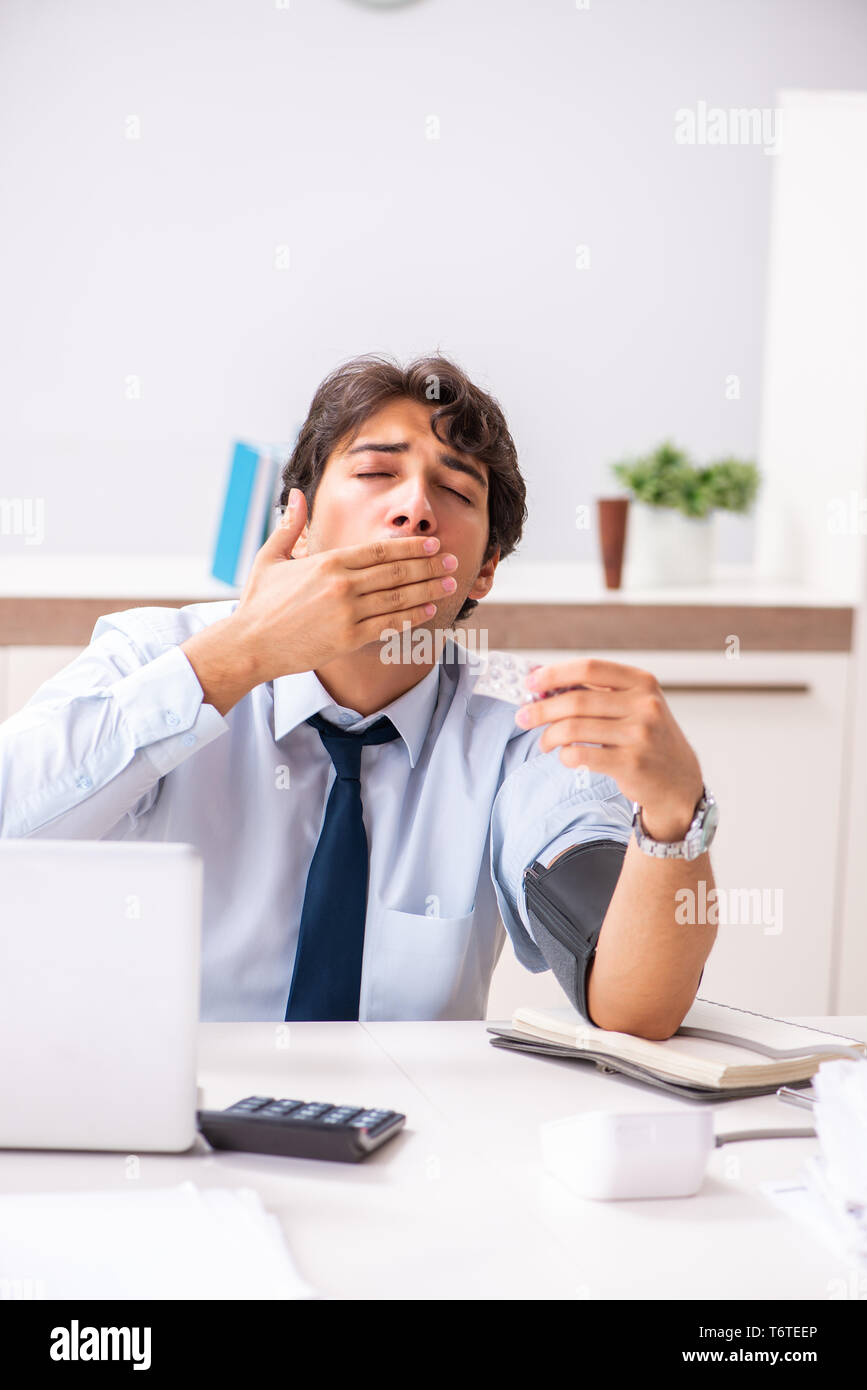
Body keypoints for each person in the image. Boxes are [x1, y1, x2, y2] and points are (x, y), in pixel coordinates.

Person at [0, 353, 718, 1033]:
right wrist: (242, 651)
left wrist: (672, 815)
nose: (414, 508)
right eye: (377, 472)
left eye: (456, 490)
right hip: (163, 1122)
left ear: (483, 572)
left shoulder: (522, 726)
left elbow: (631, 1004)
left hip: (406, 1143)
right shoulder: (154, 657)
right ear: (300, 525)